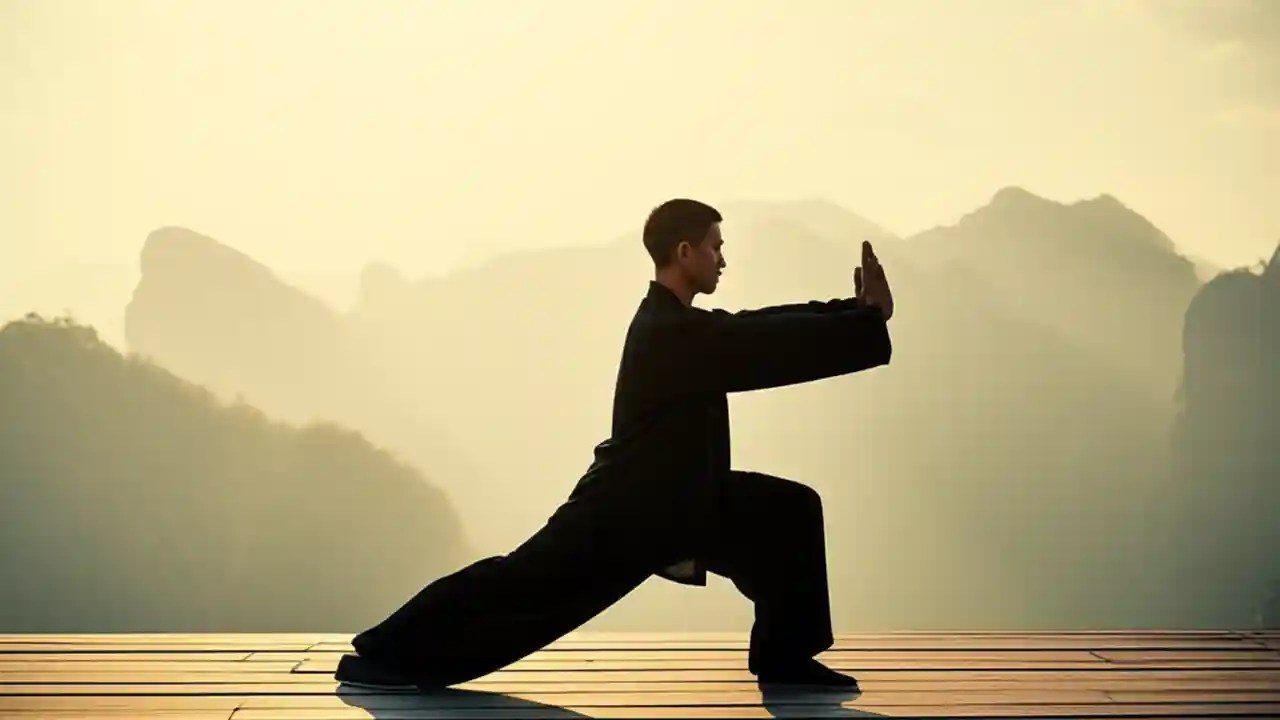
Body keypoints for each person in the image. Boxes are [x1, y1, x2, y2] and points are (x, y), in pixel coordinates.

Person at [336, 198, 894, 691]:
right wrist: (863, 322)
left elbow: (755, 326)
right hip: (628, 509)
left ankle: (784, 658)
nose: (723, 260)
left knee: (789, 511)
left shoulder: (680, 324)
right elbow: (761, 342)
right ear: (684, 252)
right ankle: (385, 651)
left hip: (685, 498)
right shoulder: (668, 331)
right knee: (520, 584)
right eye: (715, 247)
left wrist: (854, 312)